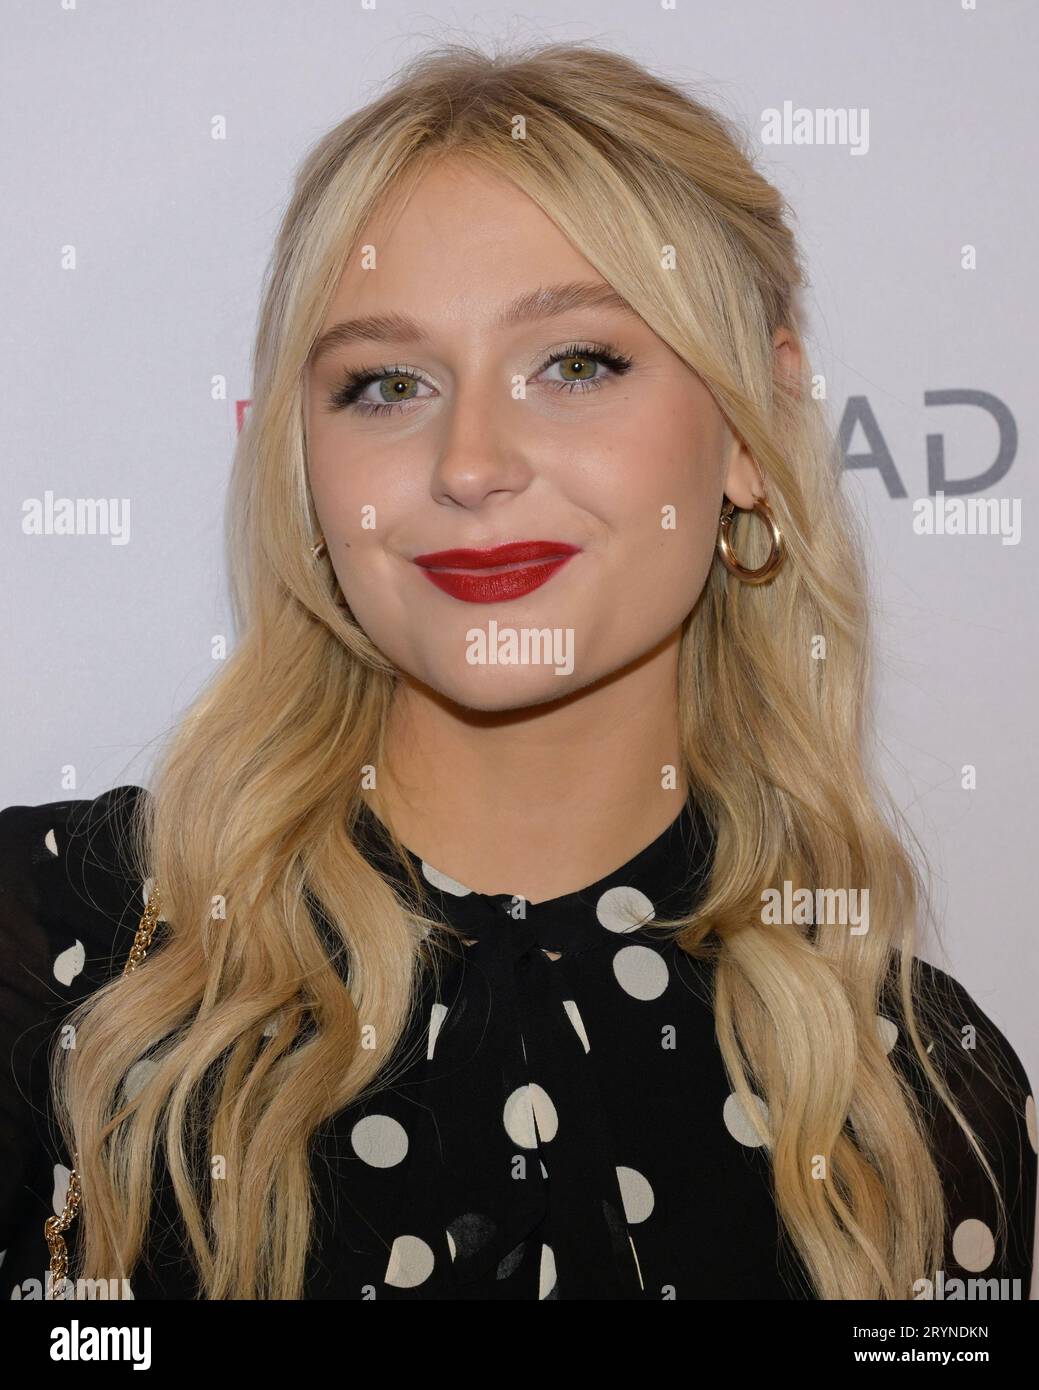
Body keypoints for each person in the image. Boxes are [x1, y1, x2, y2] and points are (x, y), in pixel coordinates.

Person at [1, 40, 1035, 1301]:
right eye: (385, 383)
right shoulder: (63, 961)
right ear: (305, 467)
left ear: (751, 434)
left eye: (576, 364)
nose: (471, 461)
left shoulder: (922, 1101)